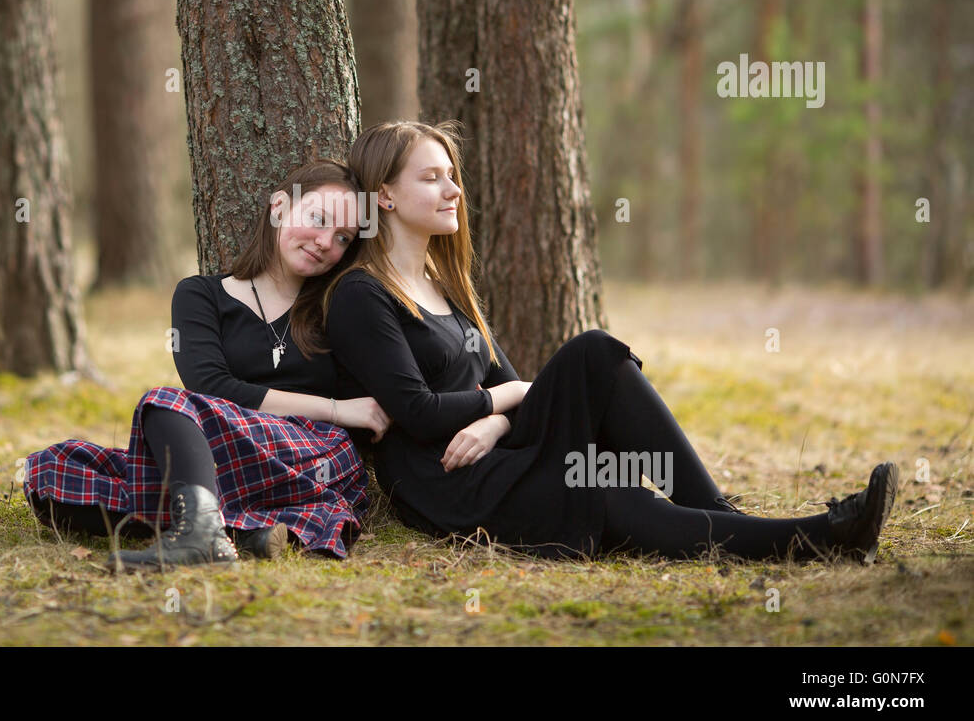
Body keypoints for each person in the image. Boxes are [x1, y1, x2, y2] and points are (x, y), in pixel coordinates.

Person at [323, 121, 898, 565]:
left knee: (596, 353)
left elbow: (507, 386)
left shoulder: (444, 283)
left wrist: (496, 418)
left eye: (452, 175)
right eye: (432, 178)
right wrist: (506, 400)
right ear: (386, 197)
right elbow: (418, 414)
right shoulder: (361, 295)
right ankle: (824, 538)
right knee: (608, 490)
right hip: (449, 484)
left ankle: (722, 512)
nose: (453, 190)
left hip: (495, 450)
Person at [24, 159, 392, 570]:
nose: (326, 242)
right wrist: (338, 408)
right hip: (217, 452)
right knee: (52, 469)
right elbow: (210, 386)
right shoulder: (201, 294)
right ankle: (237, 533)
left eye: (342, 236)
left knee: (163, 402)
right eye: (318, 219)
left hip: (308, 453)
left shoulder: (337, 304)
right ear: (279, 207)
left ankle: (201, 534)